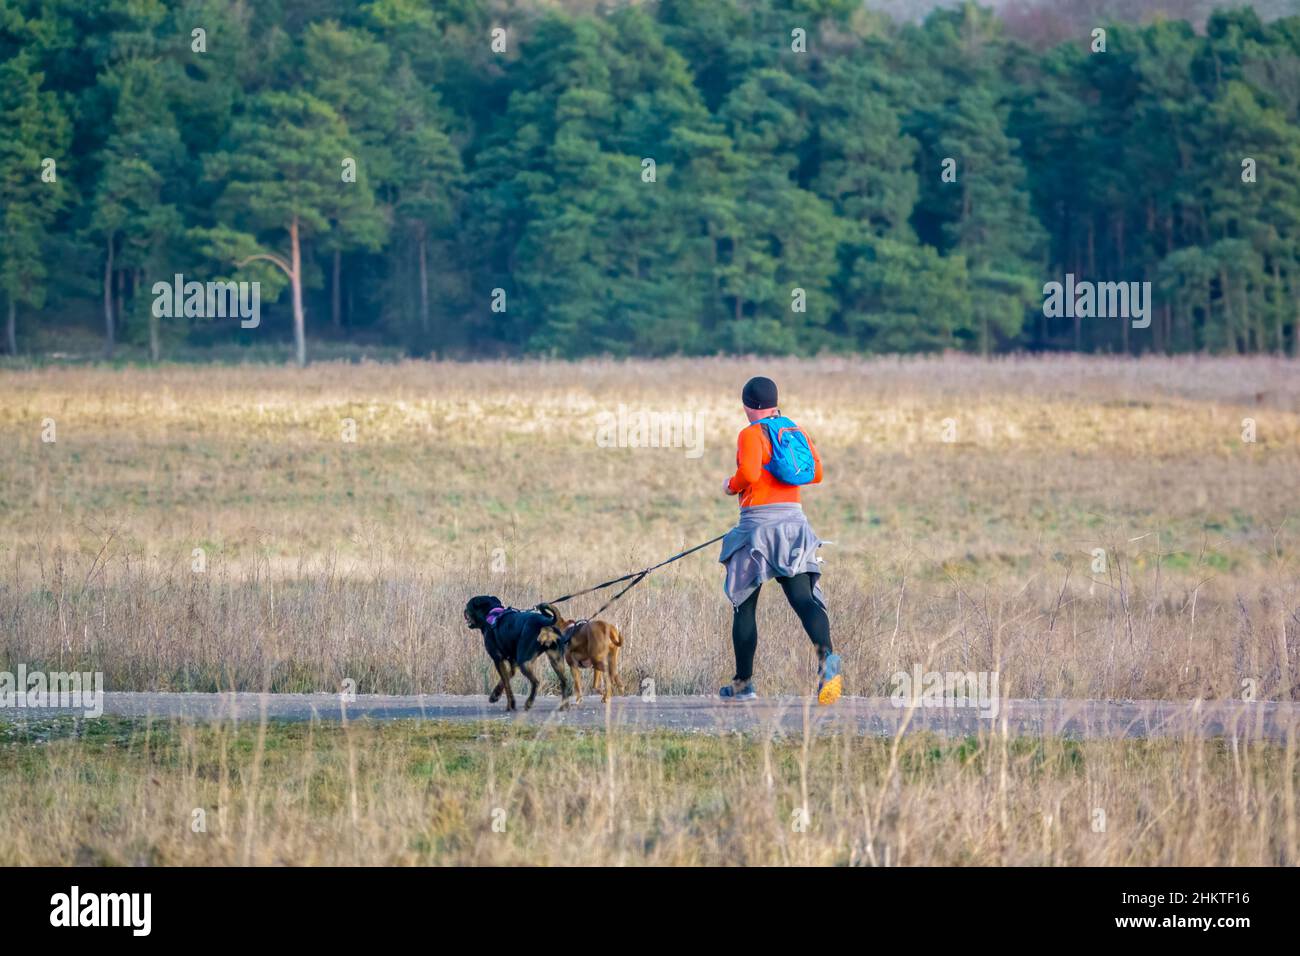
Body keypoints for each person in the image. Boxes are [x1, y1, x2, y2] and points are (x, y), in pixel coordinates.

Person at [719, 376, 841, 704]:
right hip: (794, 523)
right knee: (803, 599)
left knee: (743, 605)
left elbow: (749, 474)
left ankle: (743, 685)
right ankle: (829, 663)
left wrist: (730, 485)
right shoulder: (793, 430)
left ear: (746, 404)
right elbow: (816, 472)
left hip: (757, 527)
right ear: (775, 402)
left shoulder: (749, 434)